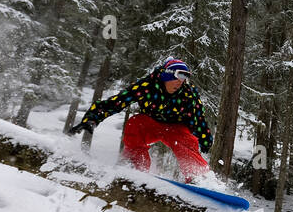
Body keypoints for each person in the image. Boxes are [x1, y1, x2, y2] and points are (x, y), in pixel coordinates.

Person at [68, 57, 213, 181]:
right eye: (179, 76)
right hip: (151, 125)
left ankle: (197, 176)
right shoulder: (147, 86)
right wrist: (92, 118)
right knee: (135, 123)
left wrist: (205, 139)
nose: (181, 82)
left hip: (176, 129)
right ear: (167, 75)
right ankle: (134, 166)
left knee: (186, 140)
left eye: (185, 78)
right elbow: (118, 101)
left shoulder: (188, 94)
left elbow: (198, 118)